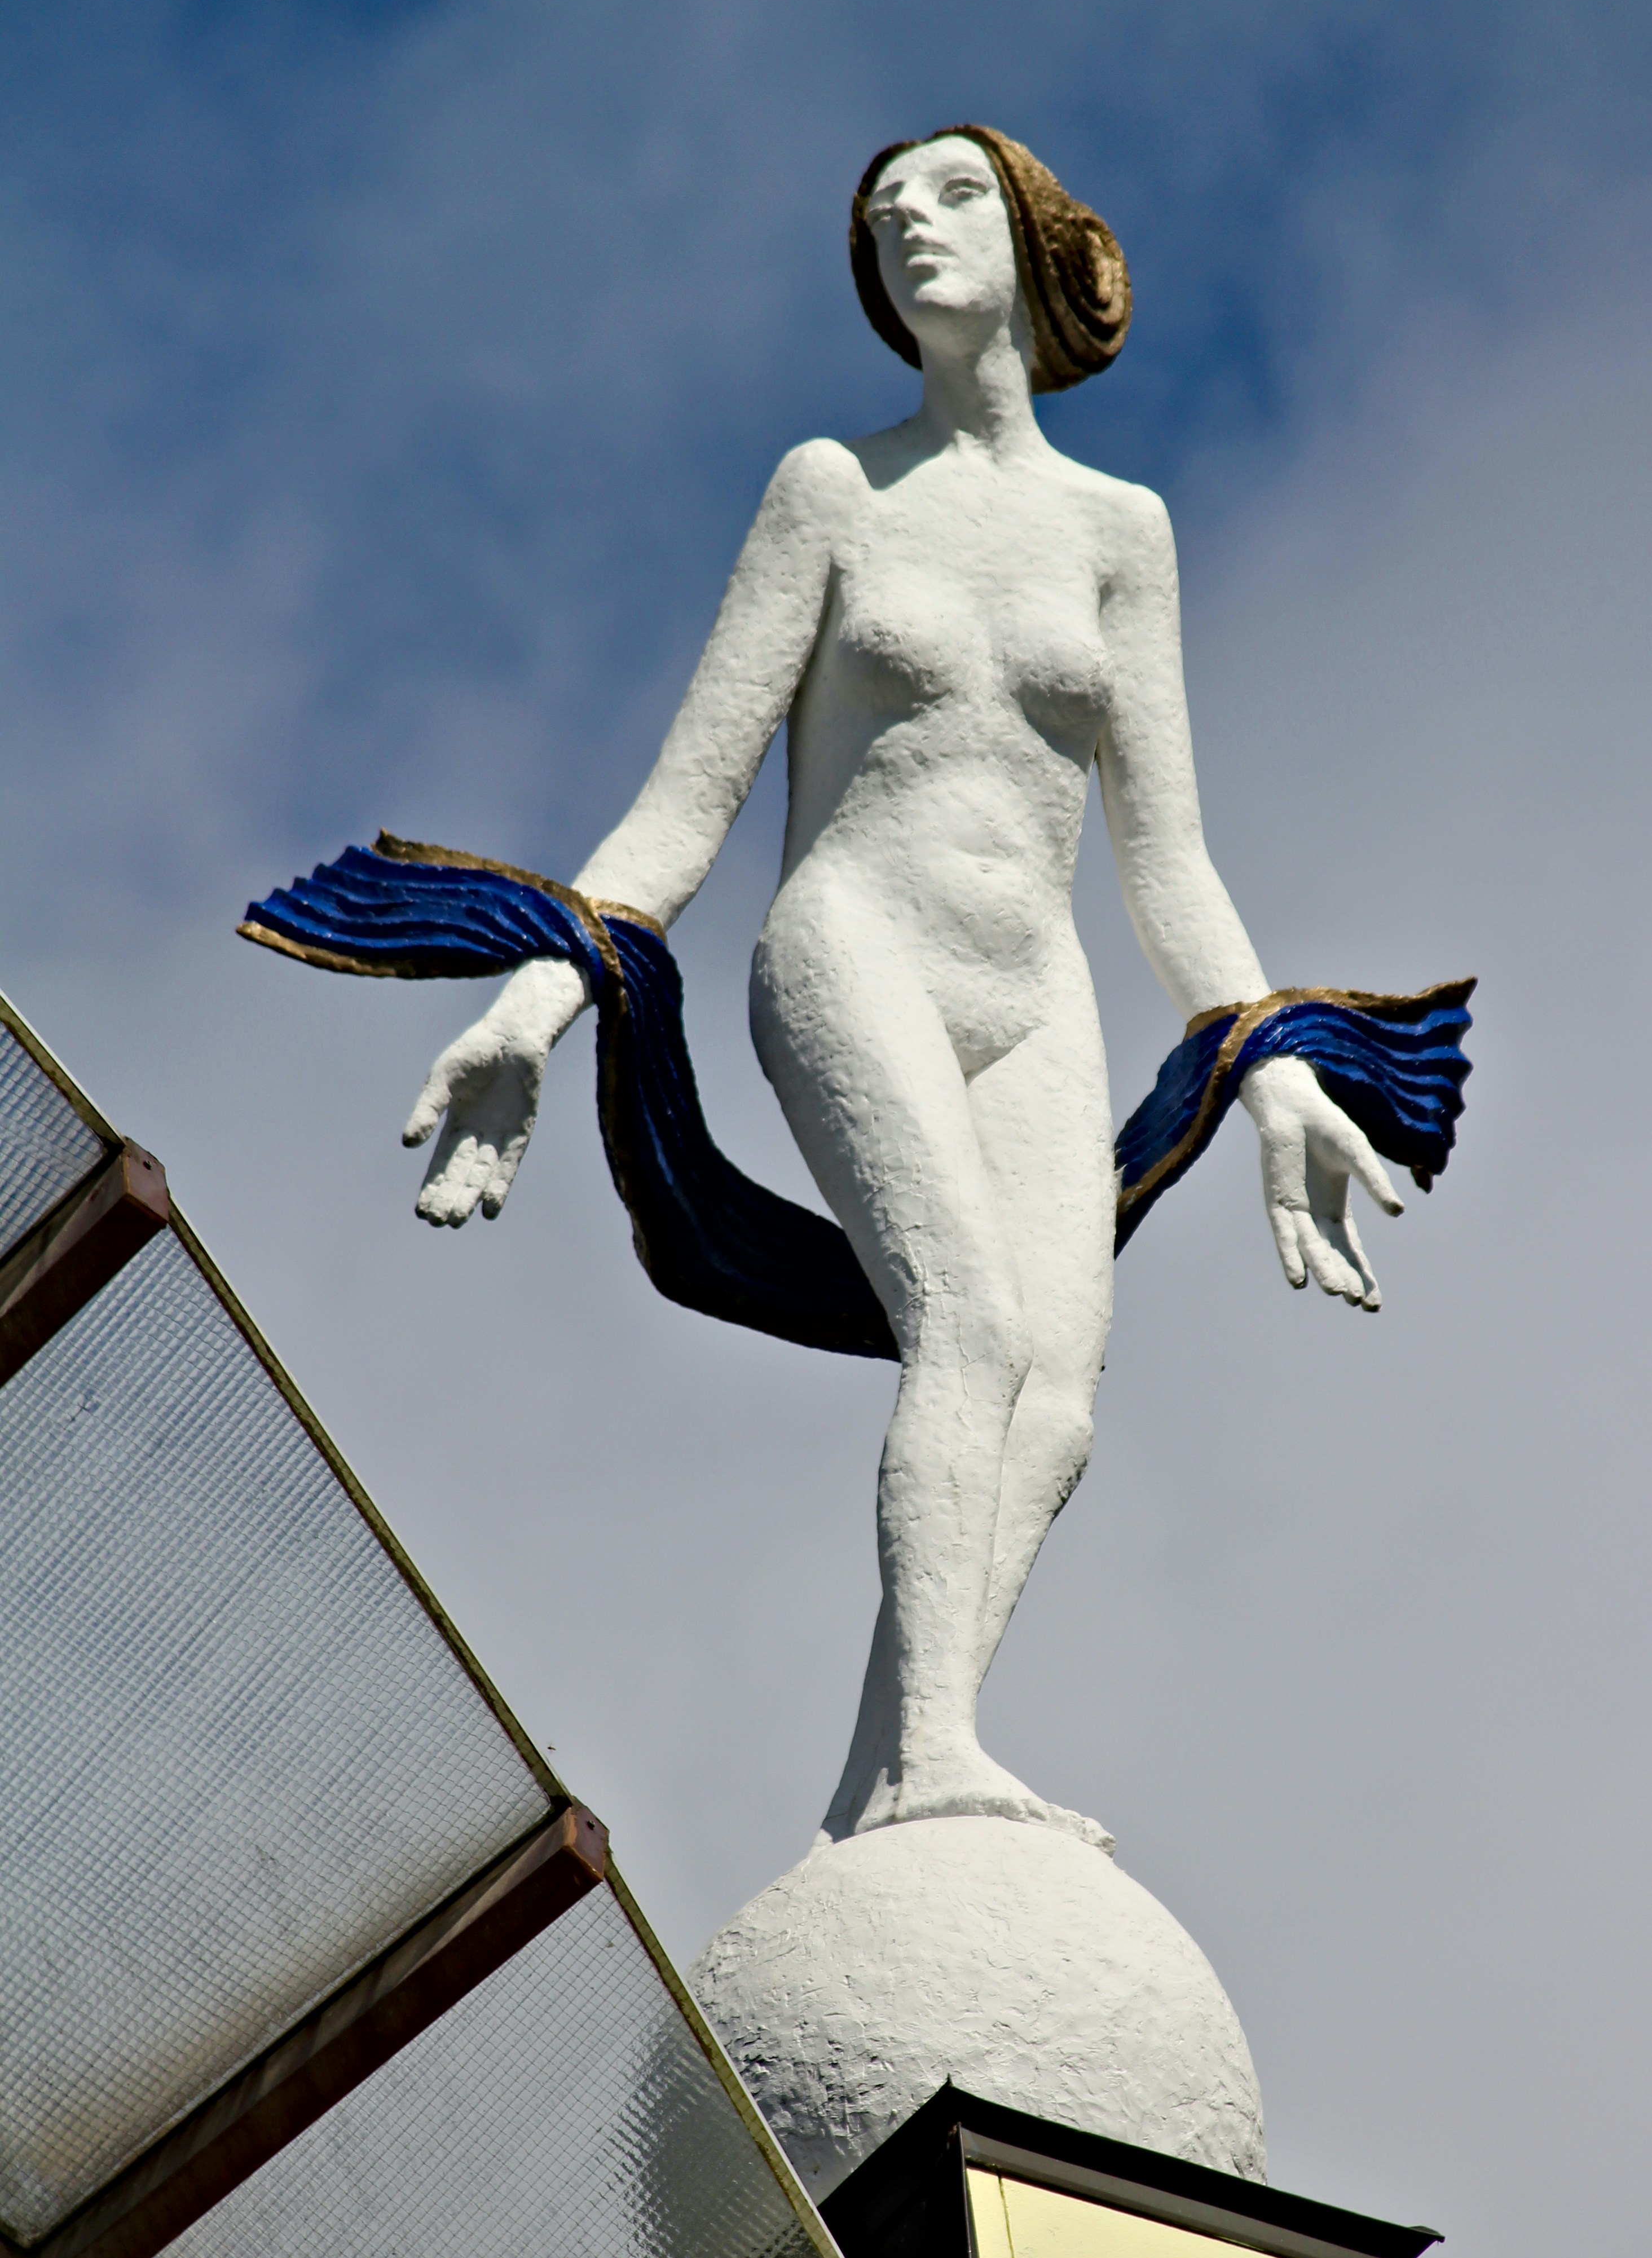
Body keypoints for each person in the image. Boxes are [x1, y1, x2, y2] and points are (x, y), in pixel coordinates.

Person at [399, 127, 1407, 1849]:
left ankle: (881, 1787)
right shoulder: (830, 489)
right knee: (973, 1326)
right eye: (877, 220)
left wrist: (1278, 1074)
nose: (904, 229)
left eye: (943, 198)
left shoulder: (1121, 531)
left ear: (1027, 231)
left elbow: (1166, 864)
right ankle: (935, 1751)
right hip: (851, 946)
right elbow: (686, 795)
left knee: (1063, 1401)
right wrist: (536, 997)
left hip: (1035, 990)